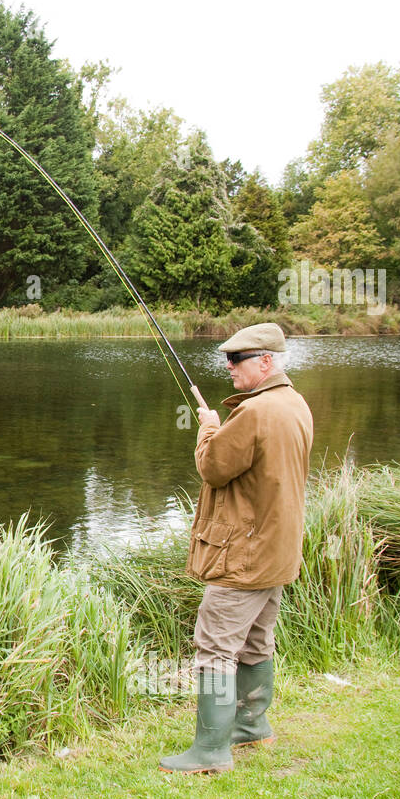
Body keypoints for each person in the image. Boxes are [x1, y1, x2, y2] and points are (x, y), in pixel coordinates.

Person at [160, 322, 314, 774]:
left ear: (266, 361)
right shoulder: (295, 403)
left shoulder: (256, 412)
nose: (228, 367)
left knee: (214, 646)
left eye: (237, 360)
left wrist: (208, 429)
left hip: (245, 553)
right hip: (277, 549)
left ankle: (210, 750)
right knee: (256, 641)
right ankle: (251, 726)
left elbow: (213, 467)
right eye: (227, 359)